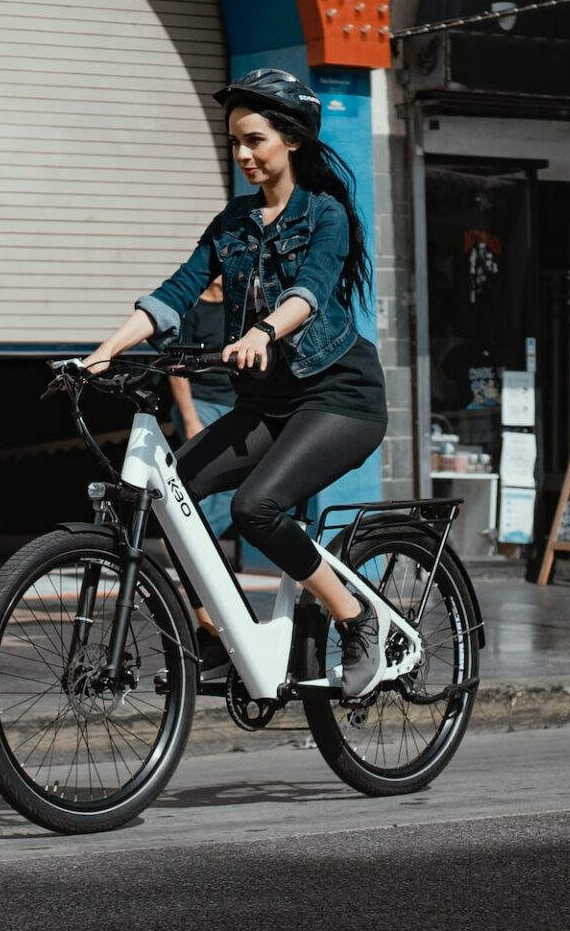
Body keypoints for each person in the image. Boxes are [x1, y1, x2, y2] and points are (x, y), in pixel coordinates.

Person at [80, 68, 389, 696]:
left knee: (255, 509)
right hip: (269, 404)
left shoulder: (326, 214)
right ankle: (216, 638)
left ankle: (356, 620)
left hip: (338, 399)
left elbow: (310, 290)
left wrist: (263, 333)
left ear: (292, 140)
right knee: (171, 499)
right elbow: (176, 292)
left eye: (255, 141)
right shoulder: (234, 222)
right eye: (235, 144)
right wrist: (104, 350)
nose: (244, 155)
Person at [168, 276, 236, 538]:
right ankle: (188, 545)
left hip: (234, 404)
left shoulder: (236, 307)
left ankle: (196, 545)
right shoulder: (192, 311)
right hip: (200, 403)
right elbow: (176, 367)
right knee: (202, 477)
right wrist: (190, 419)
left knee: (232, 483)